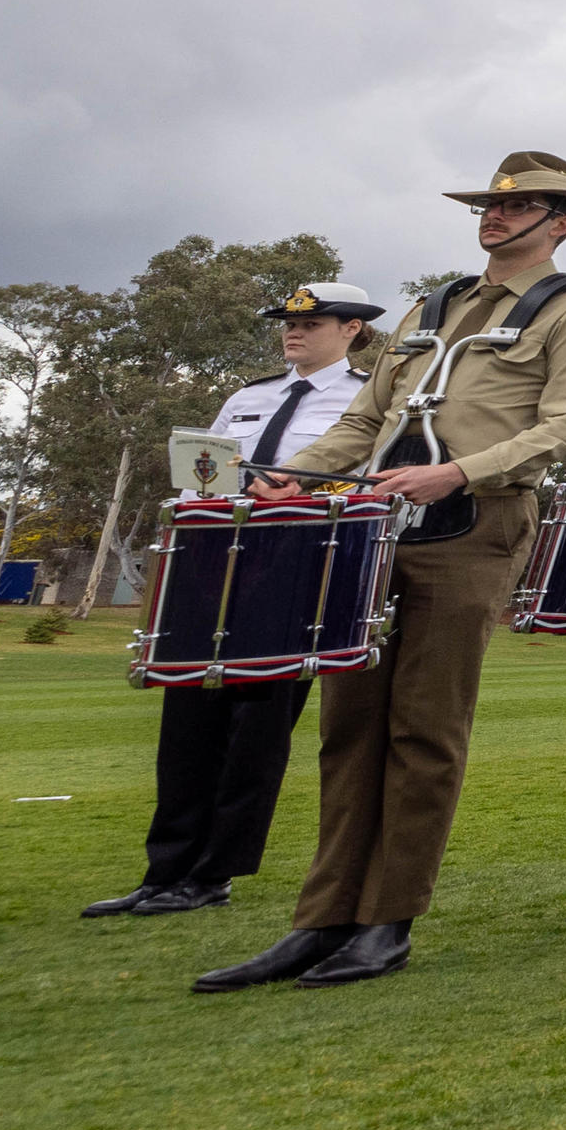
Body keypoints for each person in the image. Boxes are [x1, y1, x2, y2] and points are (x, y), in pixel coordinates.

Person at [197, 153, 566, 994]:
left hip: (472, 522)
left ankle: (385, 922)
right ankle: (320, 919)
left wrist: (457, 472)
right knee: (349, 723)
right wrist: (301, 473)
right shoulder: (433, 306)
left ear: (562, 222)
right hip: (371, 523)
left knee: (423, 729)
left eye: (520, 206)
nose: (495, 218)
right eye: (490, 206)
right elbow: (365, 418)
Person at [93, 280, 387, 921]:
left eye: (315, 322)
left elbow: (362, 482)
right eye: (287, 322)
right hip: (215, 564)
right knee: (188, 719)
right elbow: (206, 472)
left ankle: (213, 872)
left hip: (299, 566)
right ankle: (164, 868)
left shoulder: (370, 399)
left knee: (256, 726)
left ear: (353, 330)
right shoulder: (248, 397)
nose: (295, 331)